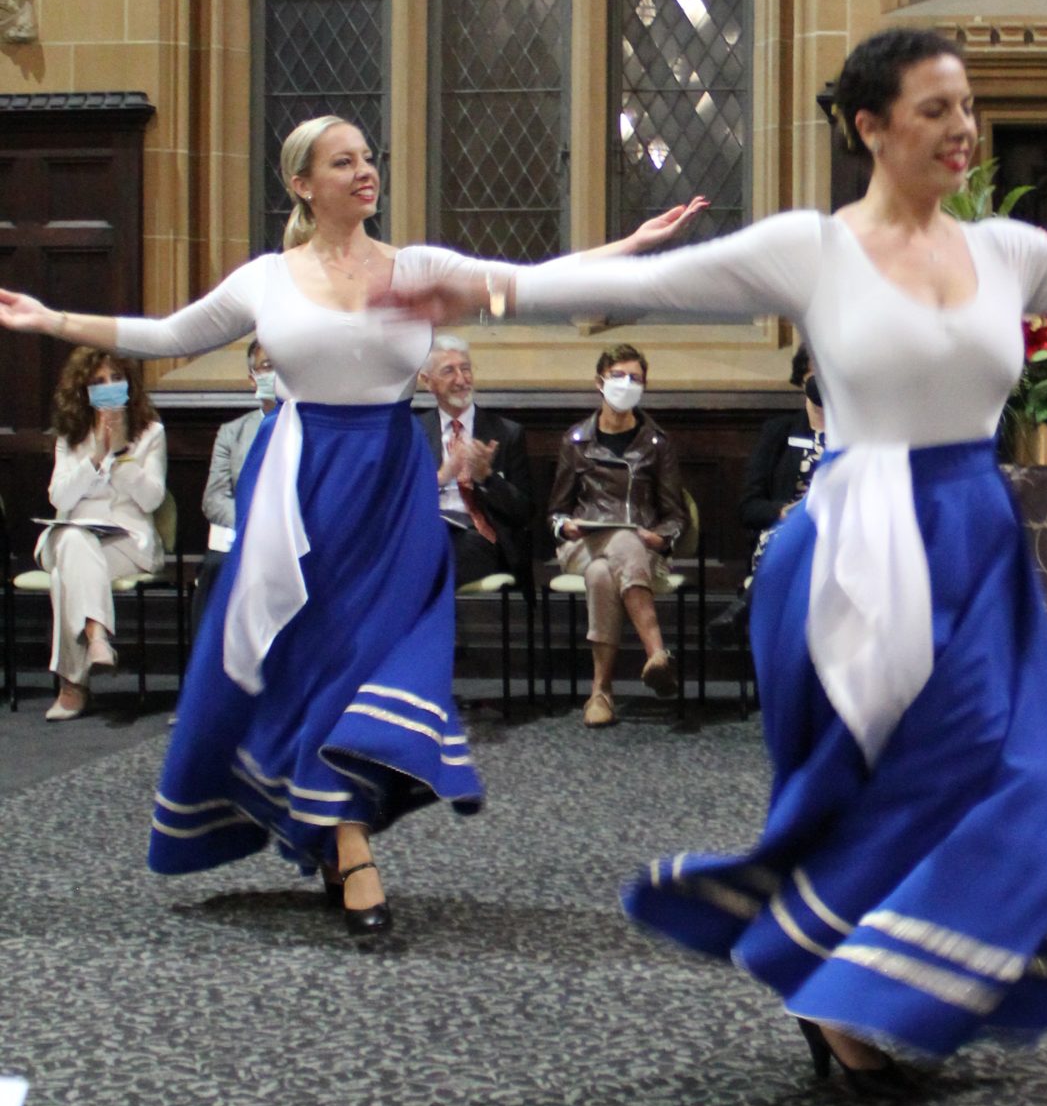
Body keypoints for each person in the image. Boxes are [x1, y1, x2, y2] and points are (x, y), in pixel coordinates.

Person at [388, 24, 1047, 1106]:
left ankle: (885, 995)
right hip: (859, 557)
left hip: (975, 546)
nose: (962, 129)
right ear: (869, 125)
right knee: (956, 787)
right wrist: (481, 290)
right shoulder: (812, 249)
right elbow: (650, 286)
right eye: (934, 110)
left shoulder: (1004, 250)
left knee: (1013, 781)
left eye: (967, 108)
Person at [0, 119, 697, 938]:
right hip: (300, 484)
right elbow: (166, 336)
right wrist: (51, 321)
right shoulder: (267, 277)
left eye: (369, 159)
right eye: (345, 162)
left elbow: (532, 281)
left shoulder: (419, 267)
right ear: (303, 183)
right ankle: (346, 843)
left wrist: (633, 246)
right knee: (309, 662)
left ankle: (342, 831)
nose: (366, 172)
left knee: (381, 654)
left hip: (389, 481)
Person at [549, 343, 688, 725]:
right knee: (617, 542)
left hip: (642, 552)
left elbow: (676, 515)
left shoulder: (657, 443)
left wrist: (662, 537)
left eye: (635, 378)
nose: (626, 385)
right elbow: (556, 511)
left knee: (602, 572)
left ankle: (600, 693)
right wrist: (566, 525)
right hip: (582, 544)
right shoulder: (575, 441)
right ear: (599, 382)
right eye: (618, 376)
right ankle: (657, 652)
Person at [35, 347, 167, 722]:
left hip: (126, 540)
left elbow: (152, 498)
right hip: (71, 535)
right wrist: (96, 455)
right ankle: (97, 637)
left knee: (67, 576)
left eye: (116, 379)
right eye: (98, 382)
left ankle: (73, 686)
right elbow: (59, 496)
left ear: (129, 384)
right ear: (83, 390)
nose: (109, 387)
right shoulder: (70, 435)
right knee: (77, 541)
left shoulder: (151, 433)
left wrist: (121, 454)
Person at [416, 336, 535, 590]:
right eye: (449, 371)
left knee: (442, 558)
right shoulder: (414, 433)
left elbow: (524, 511)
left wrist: (487, 478)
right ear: (428, 382)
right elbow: (397, 499)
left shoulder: (505, 433)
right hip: (425, 533)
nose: (461, 379)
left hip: (478, 537)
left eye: (466, 368)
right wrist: (441, 476)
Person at [192, 339, 279, 634]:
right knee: (217, 567)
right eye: (267, 366)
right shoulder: (233, 432)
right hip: (241, 532)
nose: (275, 373)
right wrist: (251, 521)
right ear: (252, 378)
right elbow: (214, 498)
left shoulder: (312, 429)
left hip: (291, 535)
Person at [739, 344, 826, 589]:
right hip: (787, 531)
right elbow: (749, 507)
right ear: (802, 379)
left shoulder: (855, 435)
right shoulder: (778, 432)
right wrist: (784, 511)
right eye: (815, 373)